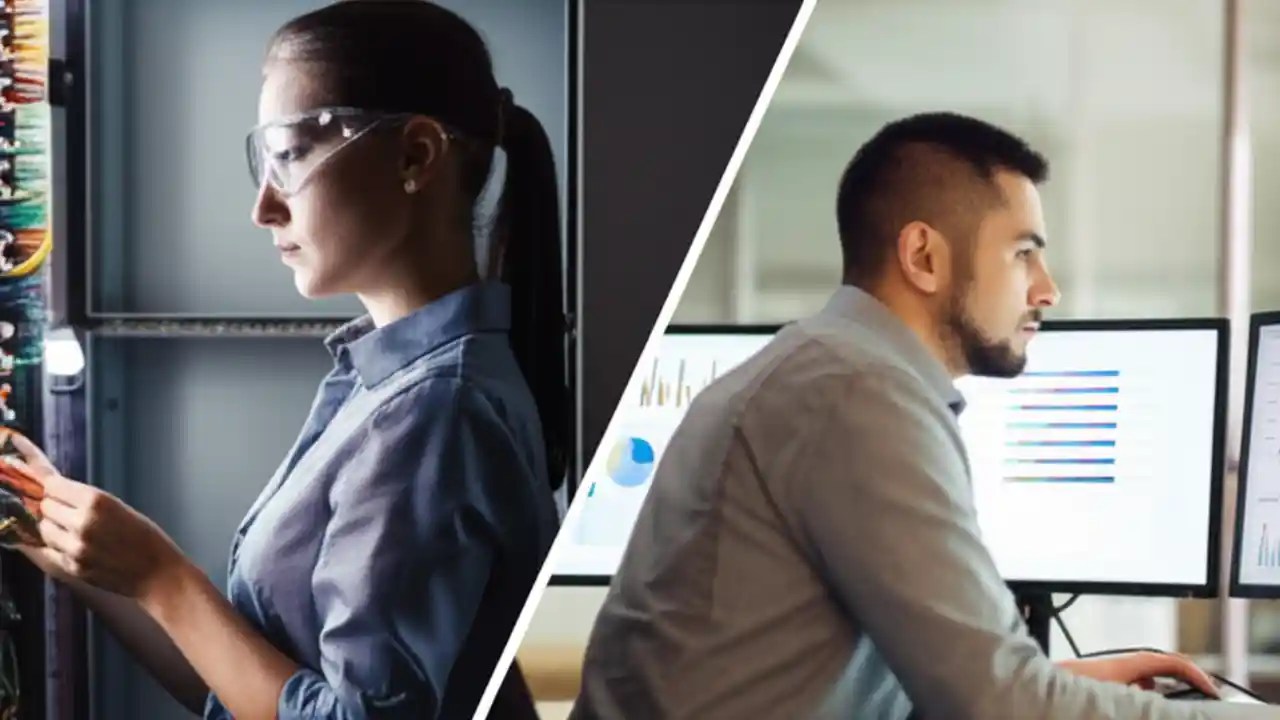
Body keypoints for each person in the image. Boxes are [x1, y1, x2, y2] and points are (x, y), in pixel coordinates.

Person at [571, 112, 1274, 719]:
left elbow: (909, 685)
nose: (1047, 290)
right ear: (923, 256)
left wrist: (1057, 683)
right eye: (1023, 253)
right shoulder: (857, 394)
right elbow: (1002, 707)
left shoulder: (820, 367)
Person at [8, 1, 567, 718]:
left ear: (415, 156)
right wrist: (69, 542)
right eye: (265, 162)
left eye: (292, 155)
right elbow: (242, 690)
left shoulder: (435, 411)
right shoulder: (387, 387)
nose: (264, 207)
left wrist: (162, 576)